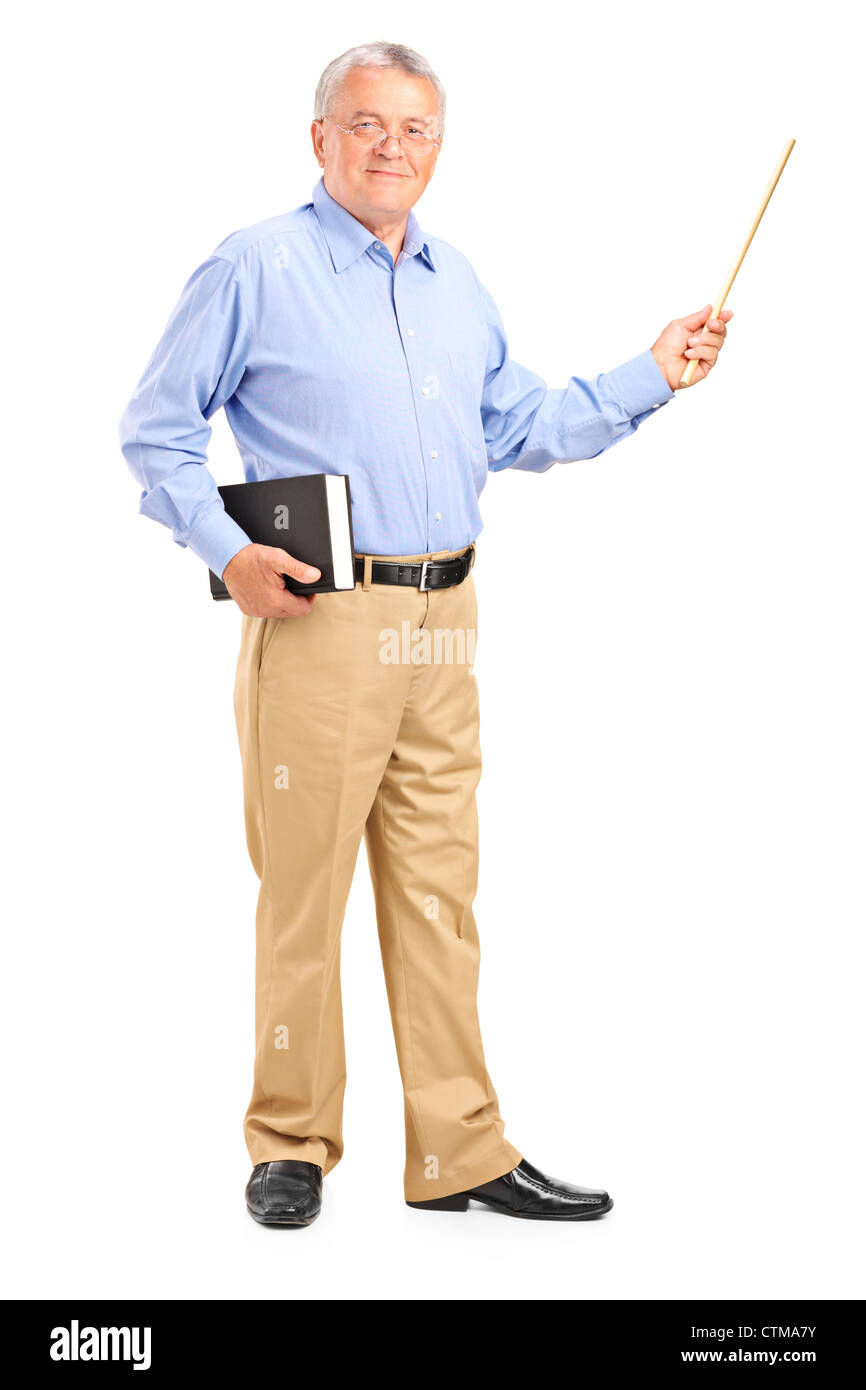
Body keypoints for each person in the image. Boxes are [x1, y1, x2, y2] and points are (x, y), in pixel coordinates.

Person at [119, 40, 731, 1227]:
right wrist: (228, 552)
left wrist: (649, 374)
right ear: (319, 139)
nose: (390, 147)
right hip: (320, 624)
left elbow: (524, 425)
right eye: (365, 124)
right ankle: (289, 1140)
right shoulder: (255, 265)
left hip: (445, 621)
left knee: (442, 896)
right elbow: (155, 431)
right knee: (305, 890)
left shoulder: (458, 282)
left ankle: (460, 1148)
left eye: (413, 129)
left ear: (437, 149)